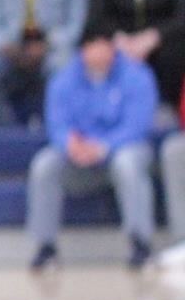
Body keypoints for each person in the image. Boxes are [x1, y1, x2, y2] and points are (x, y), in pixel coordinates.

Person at [26, 29, 156, 270]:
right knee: (44, 165)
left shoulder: (137, 75)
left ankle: (140, 243)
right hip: (79, 160)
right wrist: (70, 144)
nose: (96, 52)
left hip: (121, 152)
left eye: (101, 44)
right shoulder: (64, 79)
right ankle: (45, 246)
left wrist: (104, 146)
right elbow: (57, 124)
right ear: (82, 50)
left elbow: (137, 126)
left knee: (127, 162)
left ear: (111, 48)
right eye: (90, 45)